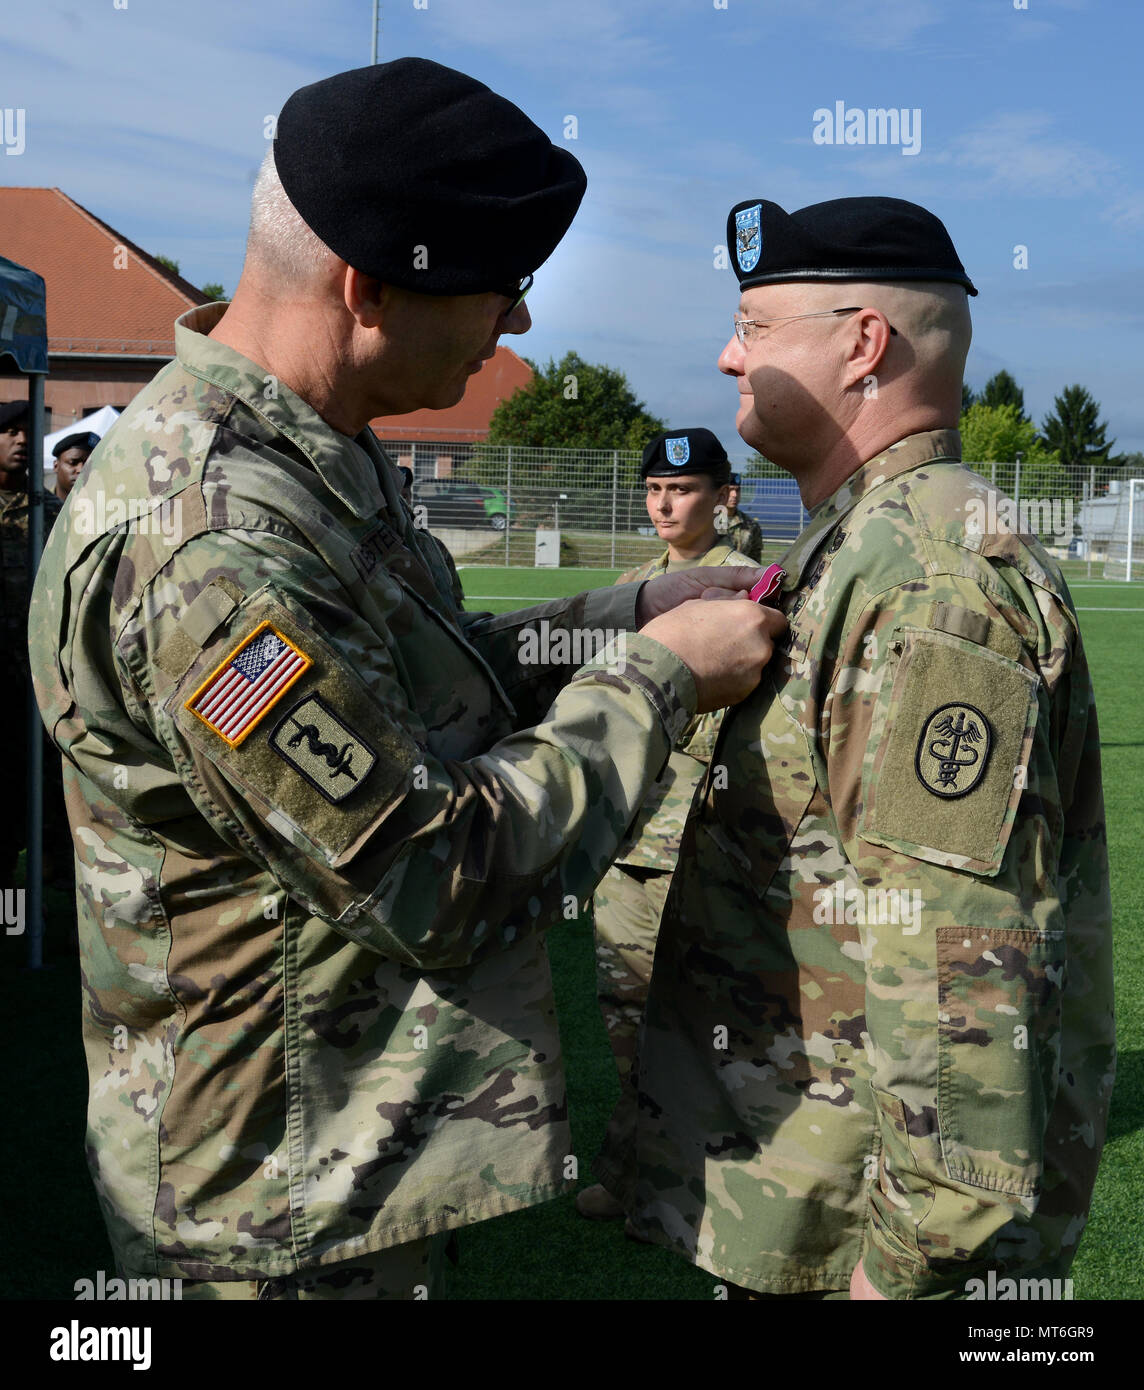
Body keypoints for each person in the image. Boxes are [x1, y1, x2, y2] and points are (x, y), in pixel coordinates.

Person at [29, 59, 782, 1301]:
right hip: (272, 1207)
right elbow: (433, 868)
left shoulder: (312, 454)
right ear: (367, 288)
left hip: (344, 1159)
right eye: (505, 289)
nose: (520, 327)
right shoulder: (210, 544)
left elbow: (432, 687)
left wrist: (626, 613)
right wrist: (655, 677)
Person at [627, 195, 1115, 1299]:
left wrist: (904, 1270)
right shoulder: (867, 545)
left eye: (752, 327)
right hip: (813, 1196)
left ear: (861, 344)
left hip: (865, 1243)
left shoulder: (928, 579)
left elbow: (961, 970)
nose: (724, 353)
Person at [576, 427, 758, 1223]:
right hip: (635, 844)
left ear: (726, 497)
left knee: (723, 1027)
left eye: (682, 490)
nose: (664, 503)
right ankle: (635, 1172)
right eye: (653, 489)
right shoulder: (635, 588)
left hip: (720, 841)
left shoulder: (766, 590)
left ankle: (709, 1185)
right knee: (627, 1019)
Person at [0, 400, 63, 886]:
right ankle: (14, 916)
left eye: (28, 432)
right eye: (9, 432)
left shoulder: (53, 513)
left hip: (41, 682)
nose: (22, 440)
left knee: (44, 803)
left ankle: (34, 914)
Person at [397, 463, 465, 608]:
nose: (402, 502)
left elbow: (454, 604)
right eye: (395, 497)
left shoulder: (434, 547)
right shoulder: (372, 546)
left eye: (404, 496)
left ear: (410, 498)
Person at [720, 473, 764, 562]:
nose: (734, 495)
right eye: (730, 490)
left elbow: (755, 560)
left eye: (737, 490)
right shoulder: (708, 522)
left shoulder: (751, 525)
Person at [51, 429, 99, 500]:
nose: (81, 470)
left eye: (88, 464)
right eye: (73, 463)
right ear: (56, 466)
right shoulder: (37, 506)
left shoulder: (103, 506)